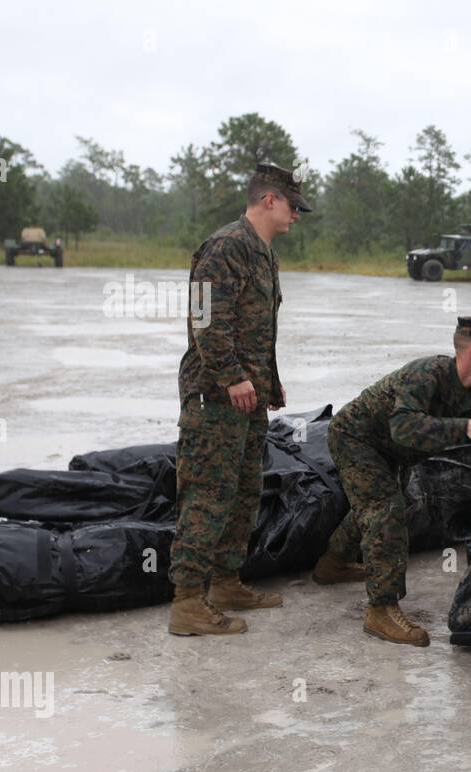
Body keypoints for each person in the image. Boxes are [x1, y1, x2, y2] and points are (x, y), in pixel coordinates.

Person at [314, 317, 471, 647]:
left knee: (377, 503)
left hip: (394, 450)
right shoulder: (426, 375)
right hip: (356, 438)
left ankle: (333, 564)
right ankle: (381, 609)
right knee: (385, 510)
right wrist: (465, 427)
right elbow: (404, 427)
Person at [168, 162, 311, 636]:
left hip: (247, 399)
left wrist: (267, 379)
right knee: (207, 493)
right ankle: (188, 601)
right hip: (215, 398)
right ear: (269, 200)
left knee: (244, 491)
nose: (296, 216)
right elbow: (206, 318)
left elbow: (255, 329)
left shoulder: (263, 253)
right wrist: (231, 377)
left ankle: (226, 582)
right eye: (292, 206)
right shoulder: (226, 247)